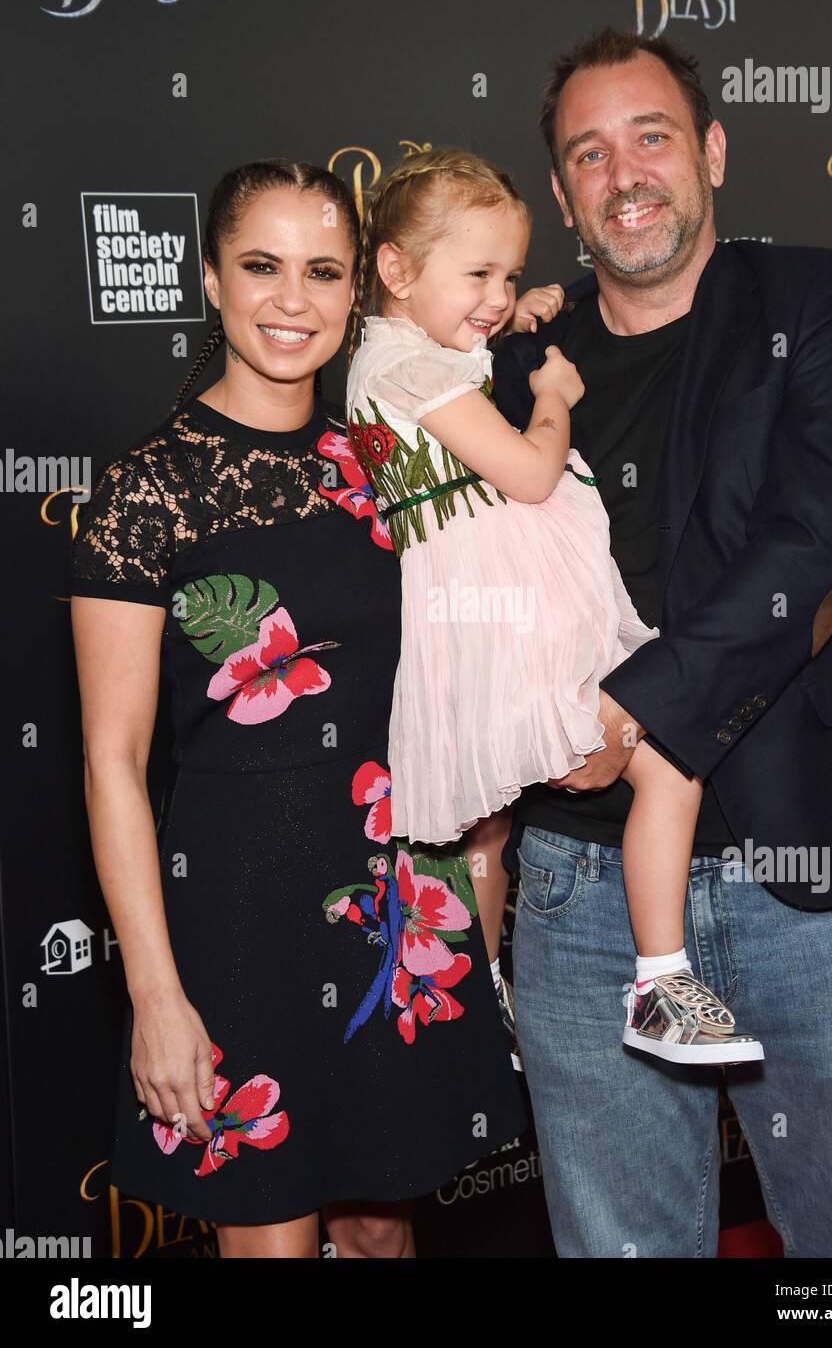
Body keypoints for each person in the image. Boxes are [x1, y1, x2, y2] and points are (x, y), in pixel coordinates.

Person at [491, 26, 832, 1258]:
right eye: (588, 153)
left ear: (708, 149)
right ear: (559, 193)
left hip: (800, 872)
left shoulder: (822, 301)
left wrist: (631, 707)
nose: (623, 171)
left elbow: (822, 527)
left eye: (650, 136)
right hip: (579, 890)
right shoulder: (512, 368)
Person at [70, 159, 525, 1260]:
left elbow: (471, 668)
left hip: (394, 905)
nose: (291, 299)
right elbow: (111, 764)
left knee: (380, 1234)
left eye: (321, 271)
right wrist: (155, 994)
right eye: (260, 266)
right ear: (212, 280)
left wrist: (486, 856)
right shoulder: (146, 488)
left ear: (357, 289)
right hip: (234, 921)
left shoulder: (390, 458)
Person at [343, 146, 764, 1070]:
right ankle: (659, 982)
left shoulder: (400, 355)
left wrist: (509, 322)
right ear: (397, 270)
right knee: (665, 763)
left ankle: (485, 991)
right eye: (478, 274)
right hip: (518, 611)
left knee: (490, 817)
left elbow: (460, 367)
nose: (498, 296)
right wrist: (554, 398)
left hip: (477, 609)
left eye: (512, 275)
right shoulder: (418, 375)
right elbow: (530, 472)